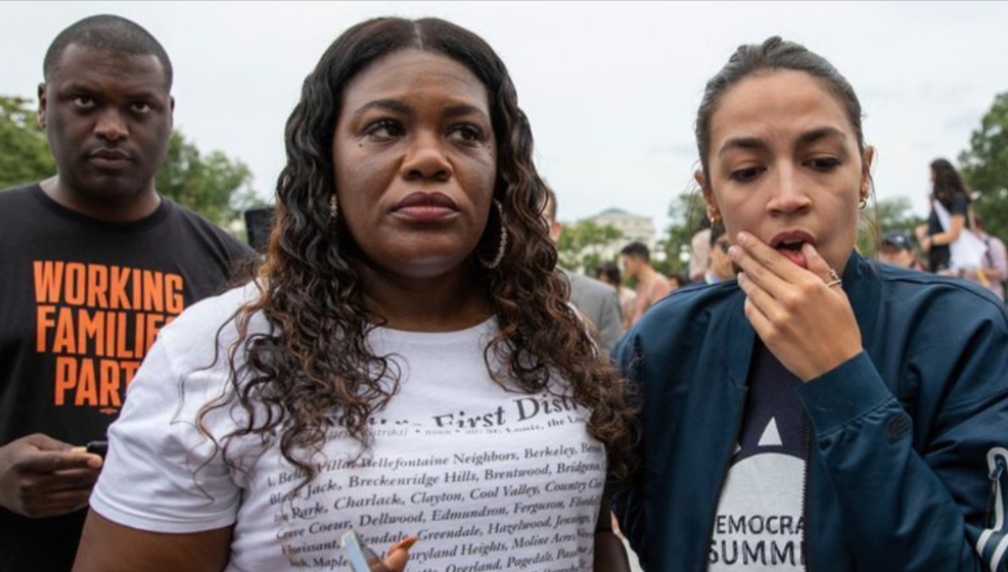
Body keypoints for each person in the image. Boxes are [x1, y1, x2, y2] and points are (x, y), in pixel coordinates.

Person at [73, 17, 635, 572]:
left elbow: (591, 541)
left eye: (465, 132)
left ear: (501, 169)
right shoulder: (217, 350)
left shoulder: (557, 333)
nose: (429, 159)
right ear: (327, 162)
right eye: (386, 128)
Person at [615, 36, 1008, 571]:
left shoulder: (964, 332)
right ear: (709, 194)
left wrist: (842, 378)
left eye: (821, 161)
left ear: (864, 173)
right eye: (747, 171)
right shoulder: (657, 348)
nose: (788, 196)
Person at [0, 15, 253, 572]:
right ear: (45, 105)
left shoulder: (235, 271)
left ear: (168, 115)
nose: (112, 127)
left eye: (138, 107)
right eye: (85, 102)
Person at [543, 186, 624, 354]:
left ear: (555, 230)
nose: (527, 229)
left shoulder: (601, 299)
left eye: (539, 219)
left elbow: (614, 372)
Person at [916, 158, 985, 273]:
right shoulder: (937, 200)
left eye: (931, 173)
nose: (929, 177)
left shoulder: (957, 199)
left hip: (951, 261)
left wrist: (931, 240)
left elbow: (954, 233)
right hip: (936, 259)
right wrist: (926, 230)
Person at [620, 241, 672, 325]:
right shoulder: (640, 286)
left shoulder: (658, 283)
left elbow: (662, 320)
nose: (625, 268)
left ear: (638, 260)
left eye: (626, 263)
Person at [962, 213, 1008, 301]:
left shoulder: (993, 244)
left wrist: (978, 272)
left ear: (978, 226)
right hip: (970, 298)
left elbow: (1002, 273)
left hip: (992, 297)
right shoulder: (964, 248)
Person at [596, 262, 637, 332]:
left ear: (615, 280)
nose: (603, 286)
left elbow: (632, 322)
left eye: (607, 282)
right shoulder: (598, 297)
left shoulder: (630, 297)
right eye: (600, 282)